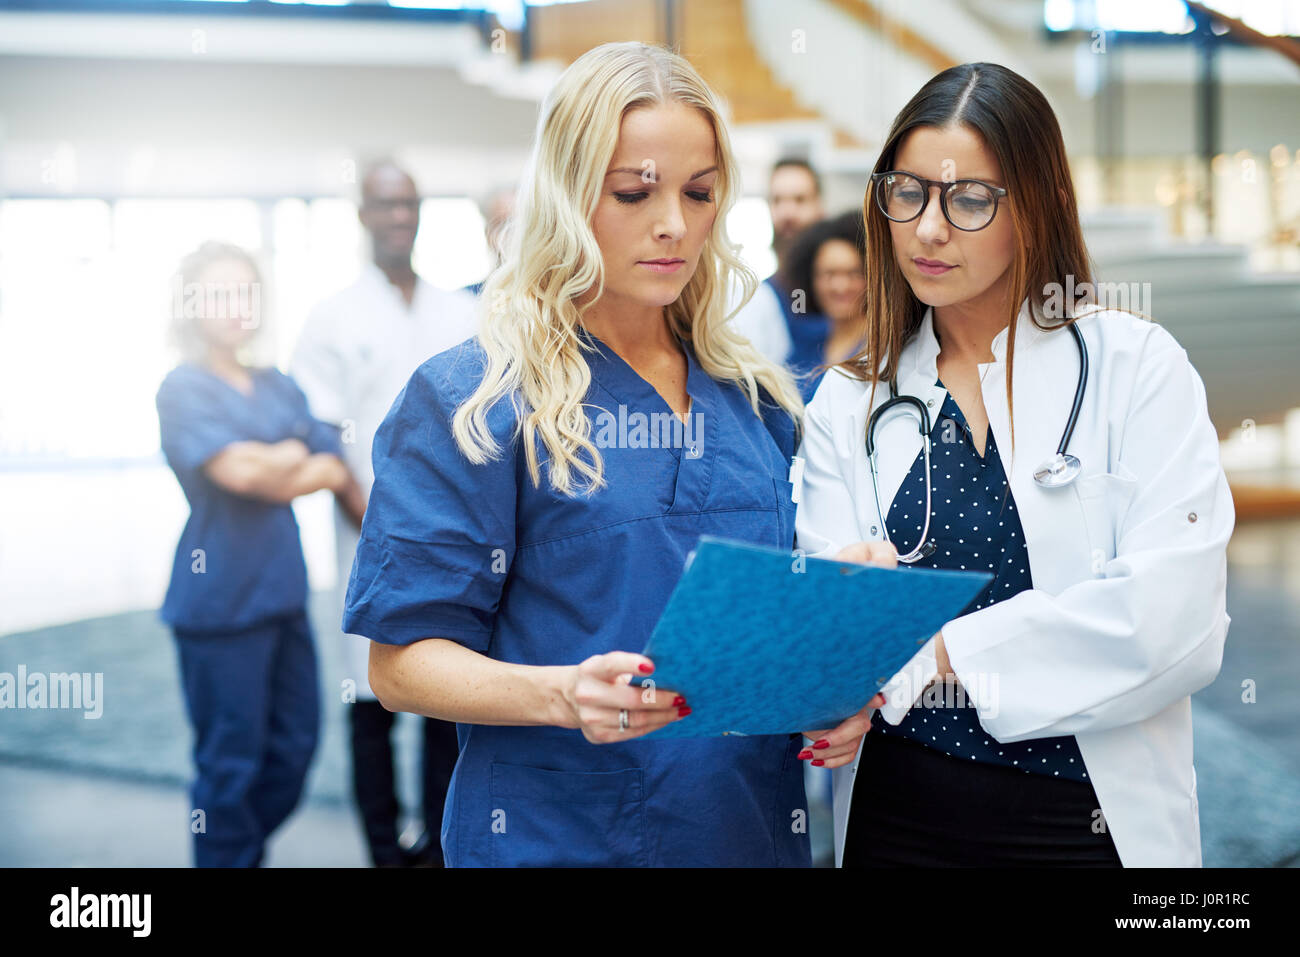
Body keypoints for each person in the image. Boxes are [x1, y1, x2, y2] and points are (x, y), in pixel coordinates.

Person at [343, 41, 816, 867]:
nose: (674, 221)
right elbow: (400, 664)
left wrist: (830, 676)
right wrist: (560, 693)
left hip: (746, 829)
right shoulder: (477, 400)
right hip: (561, 835)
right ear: (567, 195)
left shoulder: (754, 396)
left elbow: (755, 622)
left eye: (699, 192)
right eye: (634, 191)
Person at [794, 62, 1233, 867]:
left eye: (969, 200)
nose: (929, 228)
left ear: (1040, 205)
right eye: (909, 192)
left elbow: (1175, 622)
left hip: (1086, 823)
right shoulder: (847, 402)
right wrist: (835, 681)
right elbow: (836, 637)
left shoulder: (1135, 368)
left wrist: (933, 652)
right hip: (899, 822)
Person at [290, 160, 479, 868]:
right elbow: (323, 431)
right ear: (363, 214)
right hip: (367, 533)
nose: (400, 215)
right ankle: (382, 850)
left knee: (443, 694)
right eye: (386, 204)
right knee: (368, 697)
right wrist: (381, 519)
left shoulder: (460, 310)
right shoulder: (332, 316)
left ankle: (436, 848)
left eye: (410, 203)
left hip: (454, 535)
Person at [156, 241, 365, 867]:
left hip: (282, 595)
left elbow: (332, 461)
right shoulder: (182, 389)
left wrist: (286, 460)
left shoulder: (278, 384)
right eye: (219, 293)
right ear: (192, 306)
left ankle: (238, 851)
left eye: (245, 291)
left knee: (294, 749)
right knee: (230, 765)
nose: (235, 306)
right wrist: (293, 458)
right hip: (218, 605)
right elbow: (247, 474)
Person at [730, 158, 825, 364]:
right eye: (777, 200)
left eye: (799, 200)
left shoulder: (854, 288)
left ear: (820, 205)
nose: (787, 213)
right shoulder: (762, 298)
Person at [780, 210, 868, 401]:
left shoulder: (883, 348)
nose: (840, 287)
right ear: (811, 279)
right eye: (829, 274)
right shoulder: (805, 343)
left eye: (853, 273)